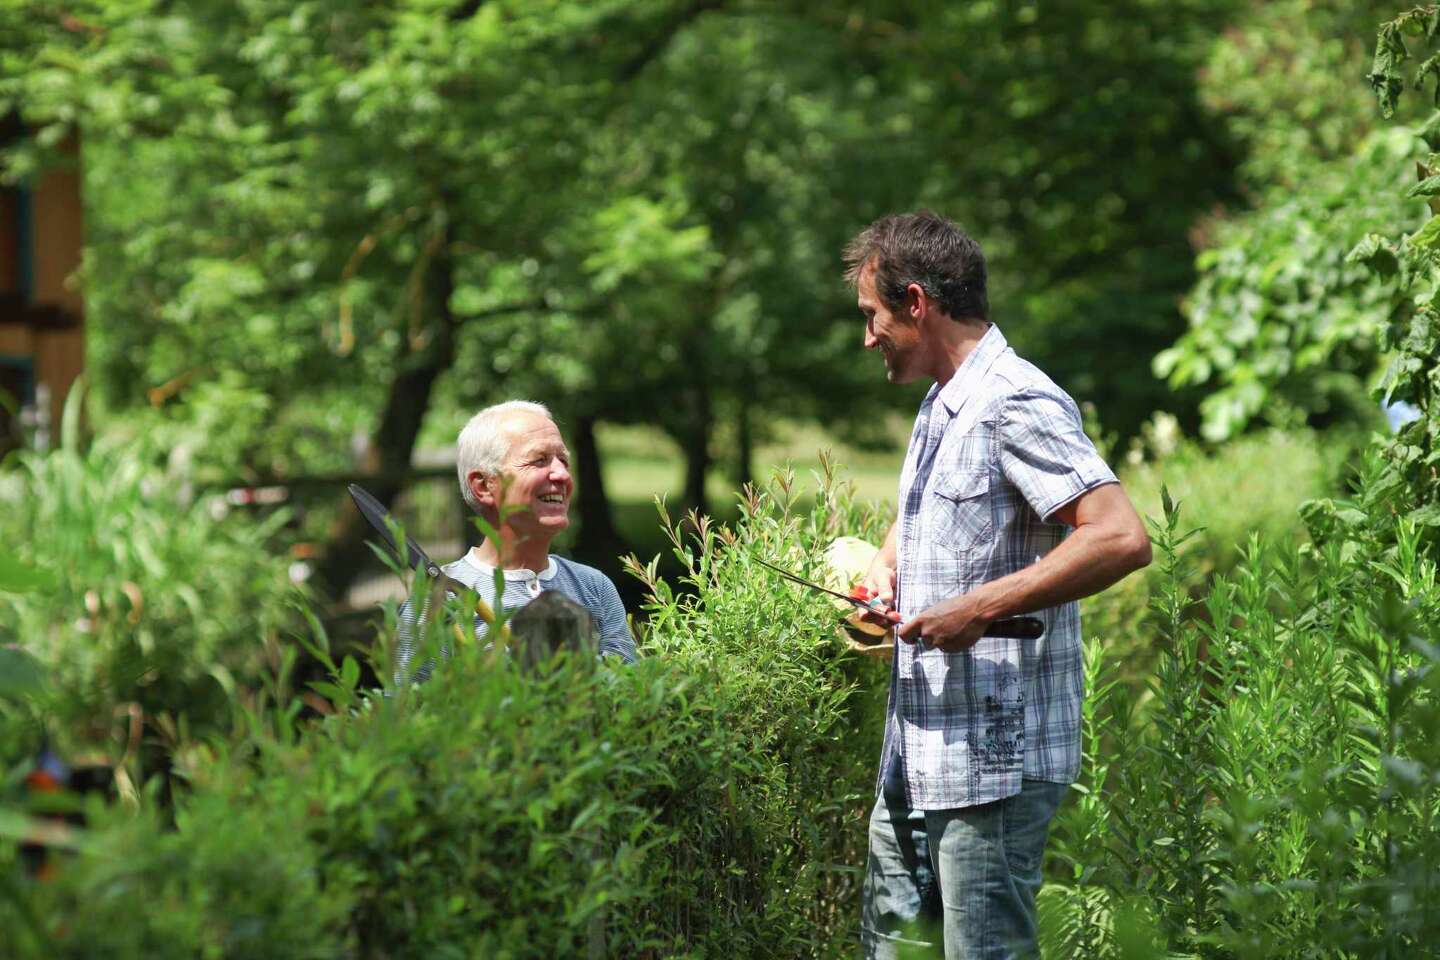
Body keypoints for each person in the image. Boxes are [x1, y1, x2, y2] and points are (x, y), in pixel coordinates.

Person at [846, 212, 1151, 959]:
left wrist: (979, 607)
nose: (866, 338)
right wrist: (887, 565)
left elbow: (1120, 536)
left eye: (872, 316)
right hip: (917, 749)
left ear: (916, 302)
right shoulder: (938, 402)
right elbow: (926, 518)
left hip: (991, 762)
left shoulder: (1015, 399)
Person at [394, 400, 637, 685]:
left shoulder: (594, 587)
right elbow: (410, 716)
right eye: (539, 460)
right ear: (484, 486)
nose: (562, 474)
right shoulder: (433, 603)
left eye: (564, 460)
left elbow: (629, 696)